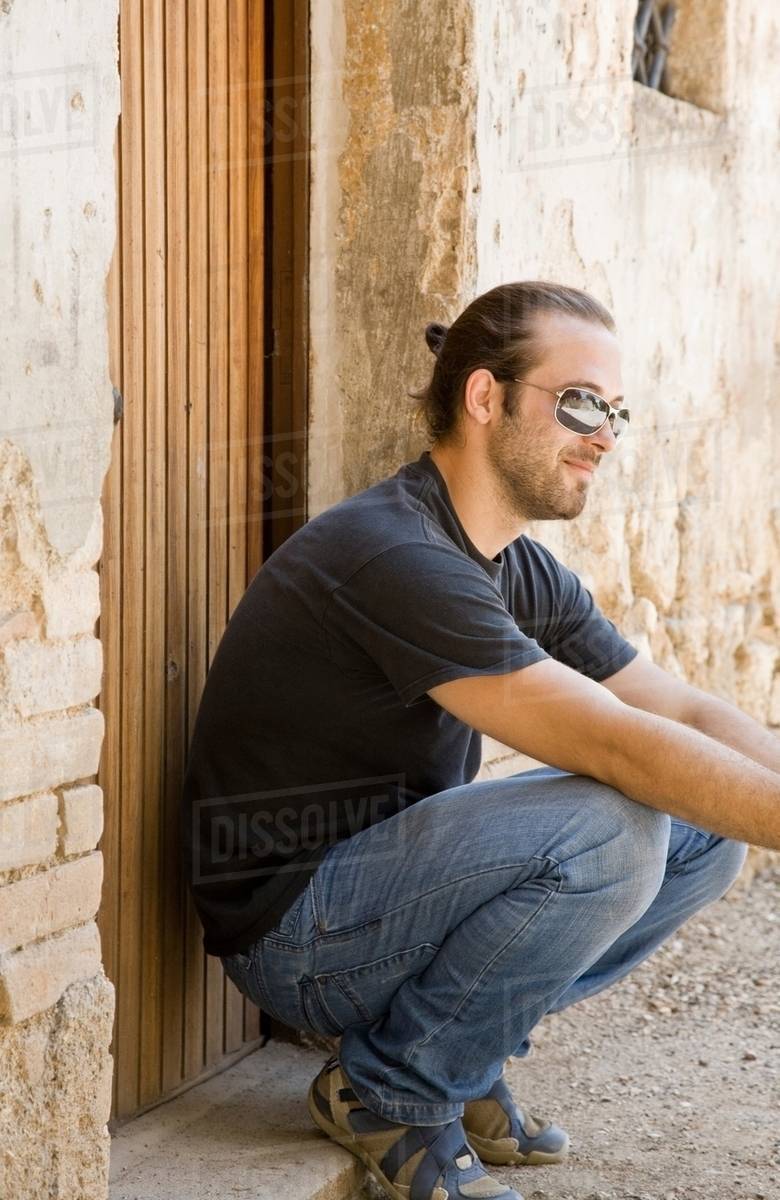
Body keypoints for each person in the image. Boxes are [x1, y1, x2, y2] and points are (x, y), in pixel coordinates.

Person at [181, 281, 780, 1200]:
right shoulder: (395, 553)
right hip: (299, 937)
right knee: (614, 828)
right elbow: (619, 747)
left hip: (385, 903)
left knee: (706, 836)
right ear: (485, 398)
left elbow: (678, 708)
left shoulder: (516, 565)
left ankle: (463, 1051)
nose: (606, 435)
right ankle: (396, 1089)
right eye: (580, 402)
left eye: (616, 411)